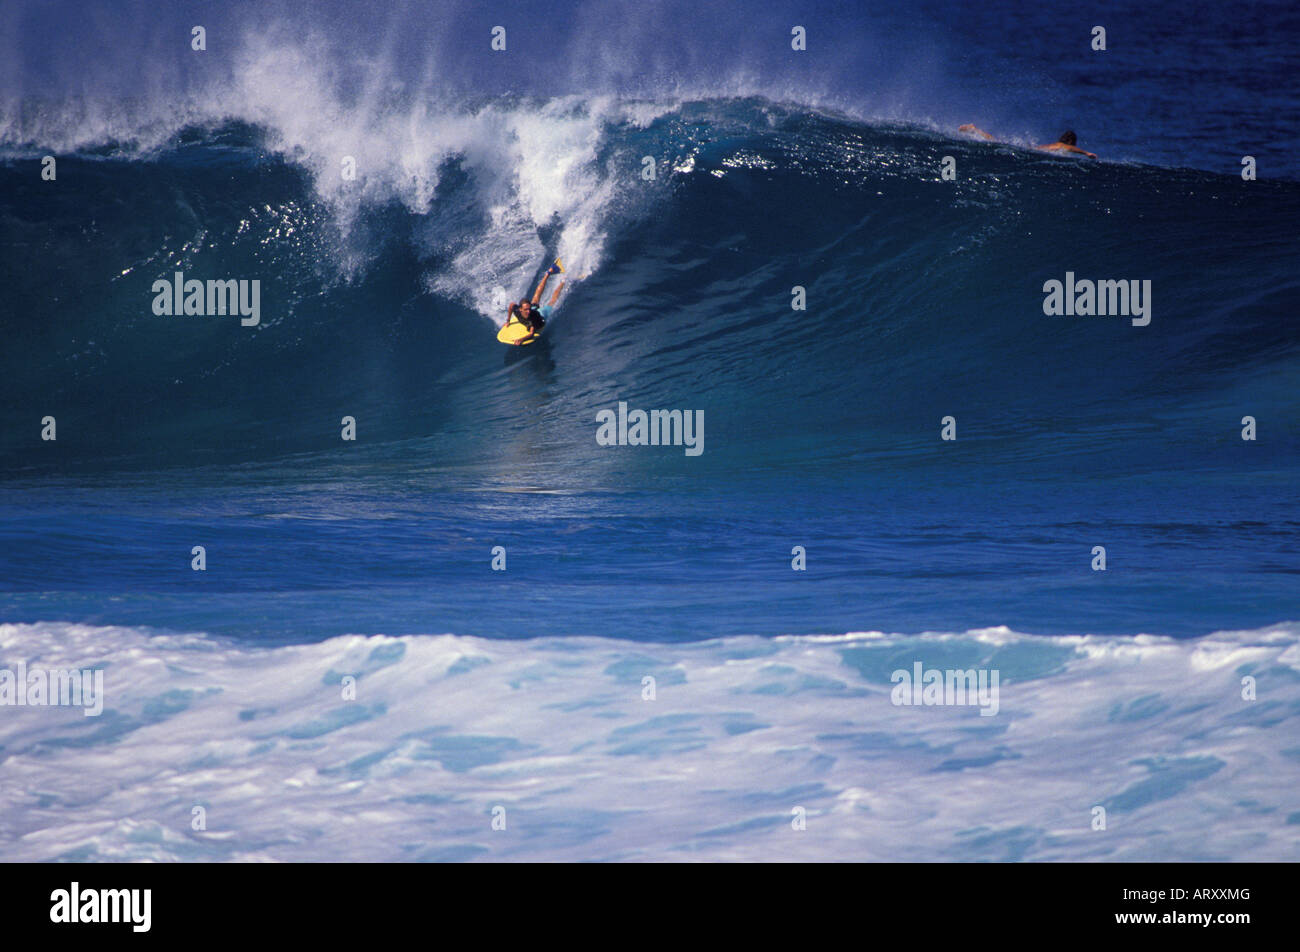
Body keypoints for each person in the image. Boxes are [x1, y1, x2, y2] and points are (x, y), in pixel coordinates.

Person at [506, 260, 565, 343]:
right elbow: (511, 305)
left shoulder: (533, 317)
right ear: (520, 309)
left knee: (552, 301)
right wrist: (508, 320)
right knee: (536, 296)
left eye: (529, 309)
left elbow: (531, 334)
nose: (528, 311)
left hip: (541, 314)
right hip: (534, 308)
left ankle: (563, 281)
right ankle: (548, 273)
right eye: (526, 309)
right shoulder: (517, 310)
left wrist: (521, 339)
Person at [958, 124, 1097, 158]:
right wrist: (1086, 153)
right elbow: (1068, 148)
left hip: (1032, 149)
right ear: (1071, 141)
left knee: (997, 141)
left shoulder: (1057, 144)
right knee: (996, 142)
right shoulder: (1062, 145)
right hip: (1031, 150)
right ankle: (974, 129)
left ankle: (975, 130)